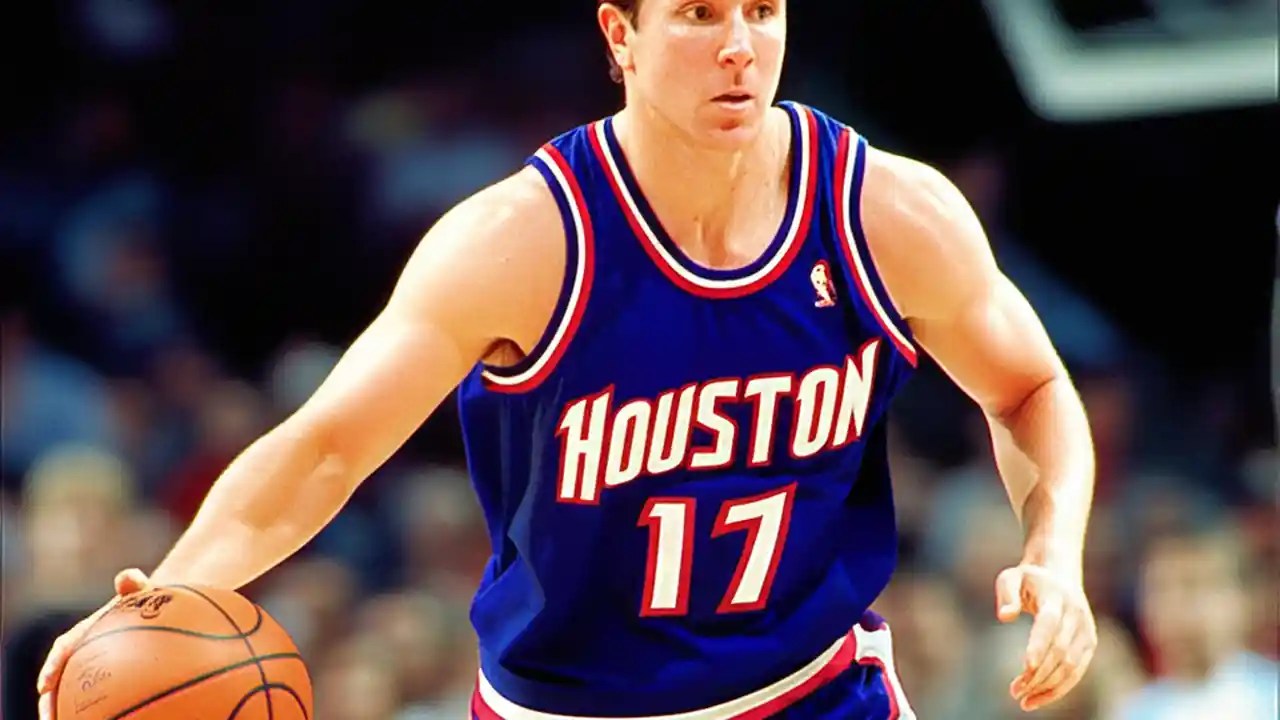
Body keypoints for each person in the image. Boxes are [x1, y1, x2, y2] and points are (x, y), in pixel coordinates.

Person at [37, 1, 1100, 718]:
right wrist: (160, 598)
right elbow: (323, 450)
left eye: (761, 10)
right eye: (695, 12)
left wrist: (1053, 552)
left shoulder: (882, 210)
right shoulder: (522, 242)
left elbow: (1029, 387)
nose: (738, 44)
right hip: (565, 706)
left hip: (811, 690)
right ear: (619, 35)